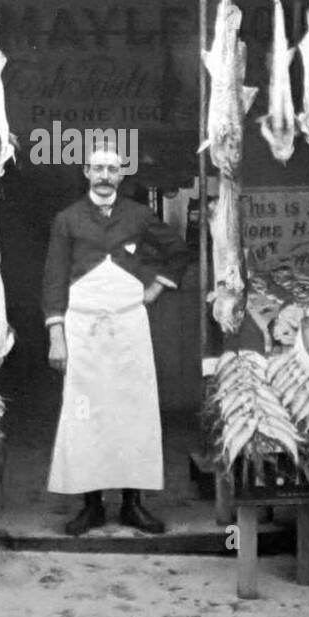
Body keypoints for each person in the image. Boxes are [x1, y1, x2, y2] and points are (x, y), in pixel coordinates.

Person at [42, 145, 191, 536]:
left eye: (112, 169)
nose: (105, 175)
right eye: (97, 168)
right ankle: (90, 505)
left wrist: (156, 288)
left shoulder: (139, 216)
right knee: (85, 412)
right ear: (86, 172)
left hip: (128, 326)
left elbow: (177, 250)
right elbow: (54, 277)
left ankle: (132, 504)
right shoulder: (67, 219)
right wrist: (56, 335)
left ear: (121, 175)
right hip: (83, 327)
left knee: (133, 411)